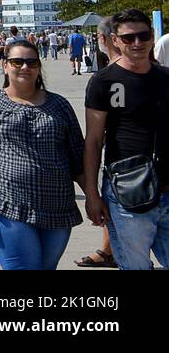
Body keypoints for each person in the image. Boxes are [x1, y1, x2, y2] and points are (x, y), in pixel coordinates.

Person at [0, 37, 84, 269]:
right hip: (9, 204)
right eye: (17, 62)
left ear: (39, 67)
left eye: (31, 62)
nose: (25, 67)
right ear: (5, 65)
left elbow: (77, 155)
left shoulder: (59, 105)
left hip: (57, 206)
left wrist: (93, 196)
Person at [82, 8, 169, 269]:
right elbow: (94, 140)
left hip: (167, 186)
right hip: (128, 190)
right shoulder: (104, 81)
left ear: (153, 36)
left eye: (143, 36)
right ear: (115, 40)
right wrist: (91, 194)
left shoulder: (165, 77)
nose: (137, 44)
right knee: (135, 266)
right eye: (129, 38)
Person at [75, 17, 120, 268]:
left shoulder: (105, 78)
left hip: (124, 163)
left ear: (103, 40)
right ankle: (109, 249)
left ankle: (111, 250)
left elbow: (94, 137)